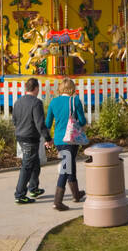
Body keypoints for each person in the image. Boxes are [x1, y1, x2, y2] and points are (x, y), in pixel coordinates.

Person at [45, 77, 88, 211]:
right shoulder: (75, 101)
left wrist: (48, 138)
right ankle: (57, 201)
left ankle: (76, 194)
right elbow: (81, 121)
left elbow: (47, 123)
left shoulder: (54, 102)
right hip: (71, 139)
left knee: (69, 163)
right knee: (65, 168)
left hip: (59, 139)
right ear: (72, 89)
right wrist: (78, 124)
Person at [12, 77, 54, 205]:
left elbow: (14, 120)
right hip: (30, 137)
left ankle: (33, 188)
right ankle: (19, 194)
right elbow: (40, 123)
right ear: (36, 88)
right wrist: (48, 138)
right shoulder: (36, 103)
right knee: (27, 165)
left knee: (35, 163)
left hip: (20, 136)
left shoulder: (18, 102)